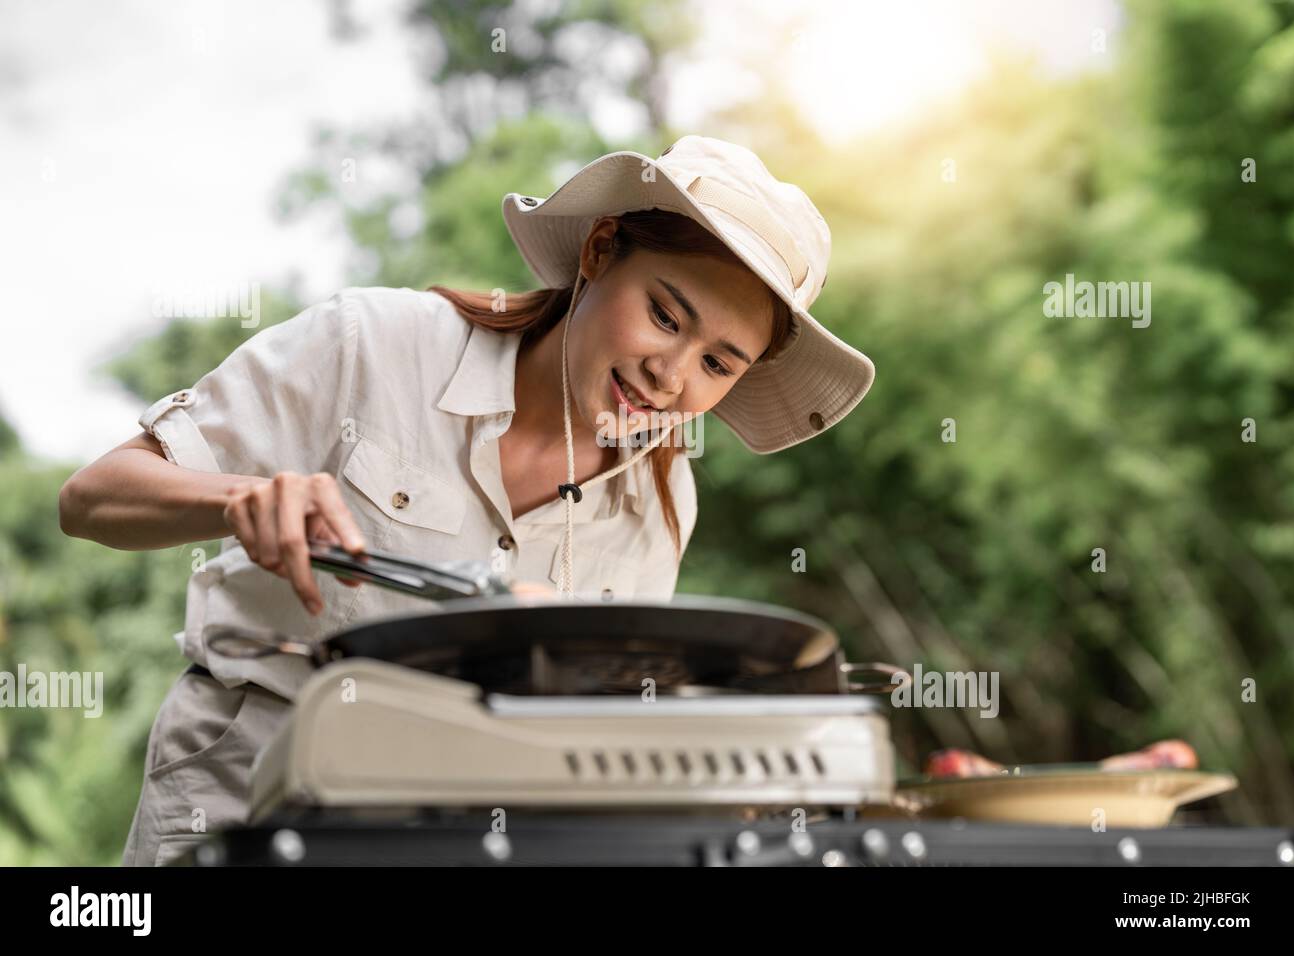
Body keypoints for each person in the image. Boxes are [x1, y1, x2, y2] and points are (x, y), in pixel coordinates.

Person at [57, 134, 876, 865]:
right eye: (665, 315)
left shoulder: (664, 504)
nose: (673, 376)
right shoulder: (374, 343)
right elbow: (92, 498)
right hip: (243, 806)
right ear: (598, 250)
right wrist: (244, 497)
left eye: (718, 365)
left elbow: (591, 735)